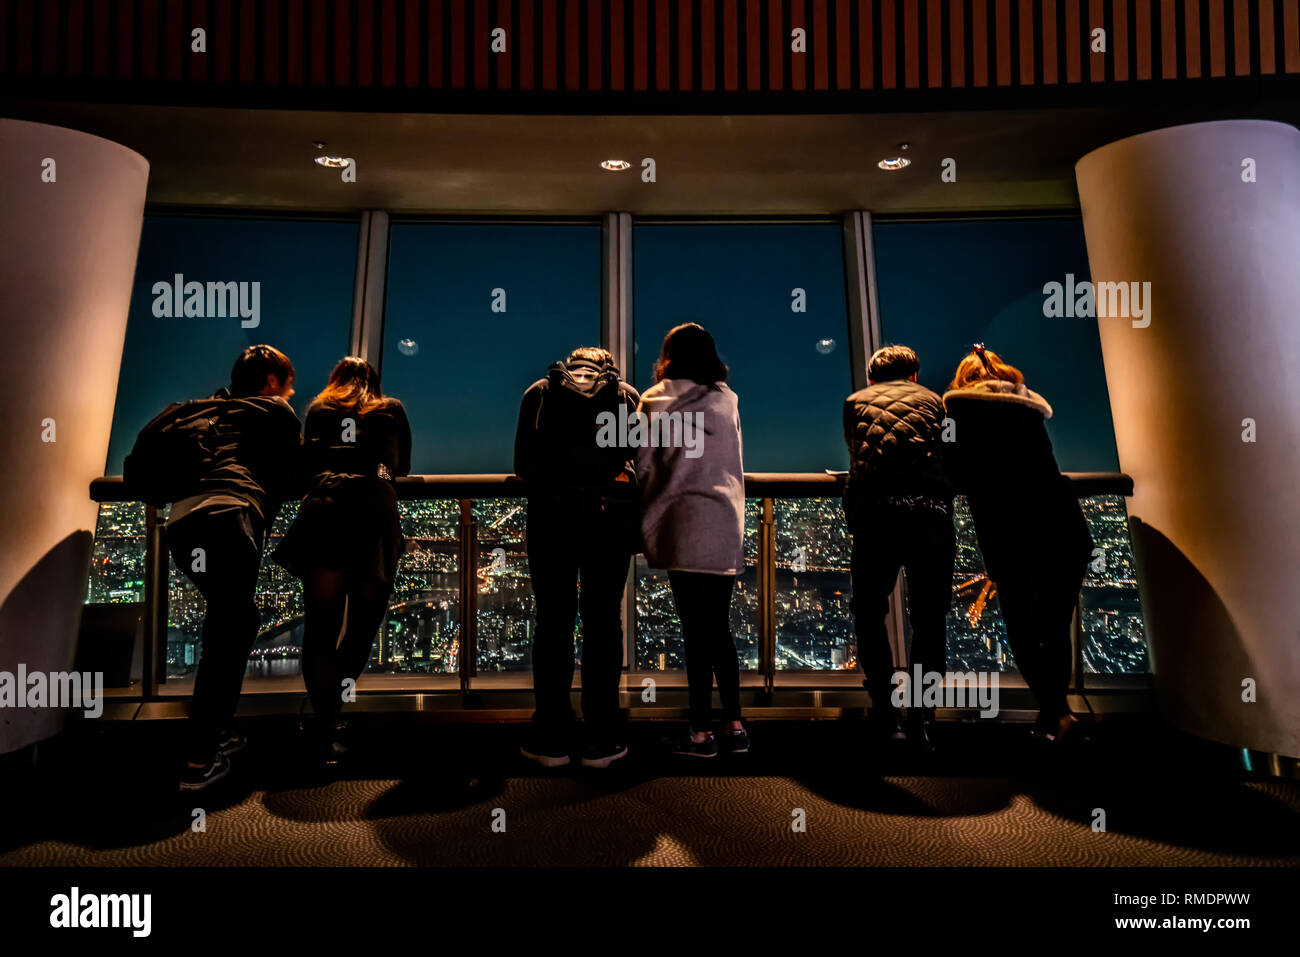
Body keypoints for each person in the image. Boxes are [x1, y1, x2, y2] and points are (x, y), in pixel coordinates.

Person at [164, 344, 303, 791]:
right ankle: (200, 757)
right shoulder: (275, 413)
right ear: (270, 383)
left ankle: (215, 733)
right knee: (227, 637)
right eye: (288, 383)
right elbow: (295, 475)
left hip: (183, 524)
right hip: (230, 521)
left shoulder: (212, 410)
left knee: (232, 624)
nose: (291, 392)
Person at [942, 344, 1093, 744]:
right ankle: (1054, 718)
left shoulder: (959, 414)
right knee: (1056, 628)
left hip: (1011, 536)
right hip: (1064, 528)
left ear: (963, 381)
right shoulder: (1027, 410)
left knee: (1025, 630)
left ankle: (1058, 716)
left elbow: (952, 474)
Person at [273, 357, 411, 764]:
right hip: (372, 515)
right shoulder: (391, 409)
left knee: (320, 630)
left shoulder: (318, 409)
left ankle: (325, 724)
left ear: (334, 380)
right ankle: (335, 711)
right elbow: (401, 467)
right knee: (362, 630)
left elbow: (305, 466)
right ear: (375, 382)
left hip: (326, 512)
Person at [514, 346, 641, 769]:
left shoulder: (540, 392)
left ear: (570, 364)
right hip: (609, 521)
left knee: (553, 620)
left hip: (552, 519)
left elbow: (522, 464)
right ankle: (601, 736)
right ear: (608, 366)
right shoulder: (626, 397)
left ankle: (551, 735)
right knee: (603, 621)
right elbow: (638, 463)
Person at [636, 323, 747, 758]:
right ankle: (736, 726)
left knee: (695, 634)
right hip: (723, 519)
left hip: (681, 521)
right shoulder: (727, 399)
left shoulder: (654, 400)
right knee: (720, 631)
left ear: (669, 356)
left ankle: (701, 734)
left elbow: (644, 465)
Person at [842, 345, 954, 750]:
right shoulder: (937, 403)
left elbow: (859, 458)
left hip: (878, 517)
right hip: (930, 517)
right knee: (929, 619)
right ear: (915, 375)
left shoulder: (855, 402)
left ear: (872, 377)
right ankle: (922, 719)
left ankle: (886, 713)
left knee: (869, 613)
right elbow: (948, 456)